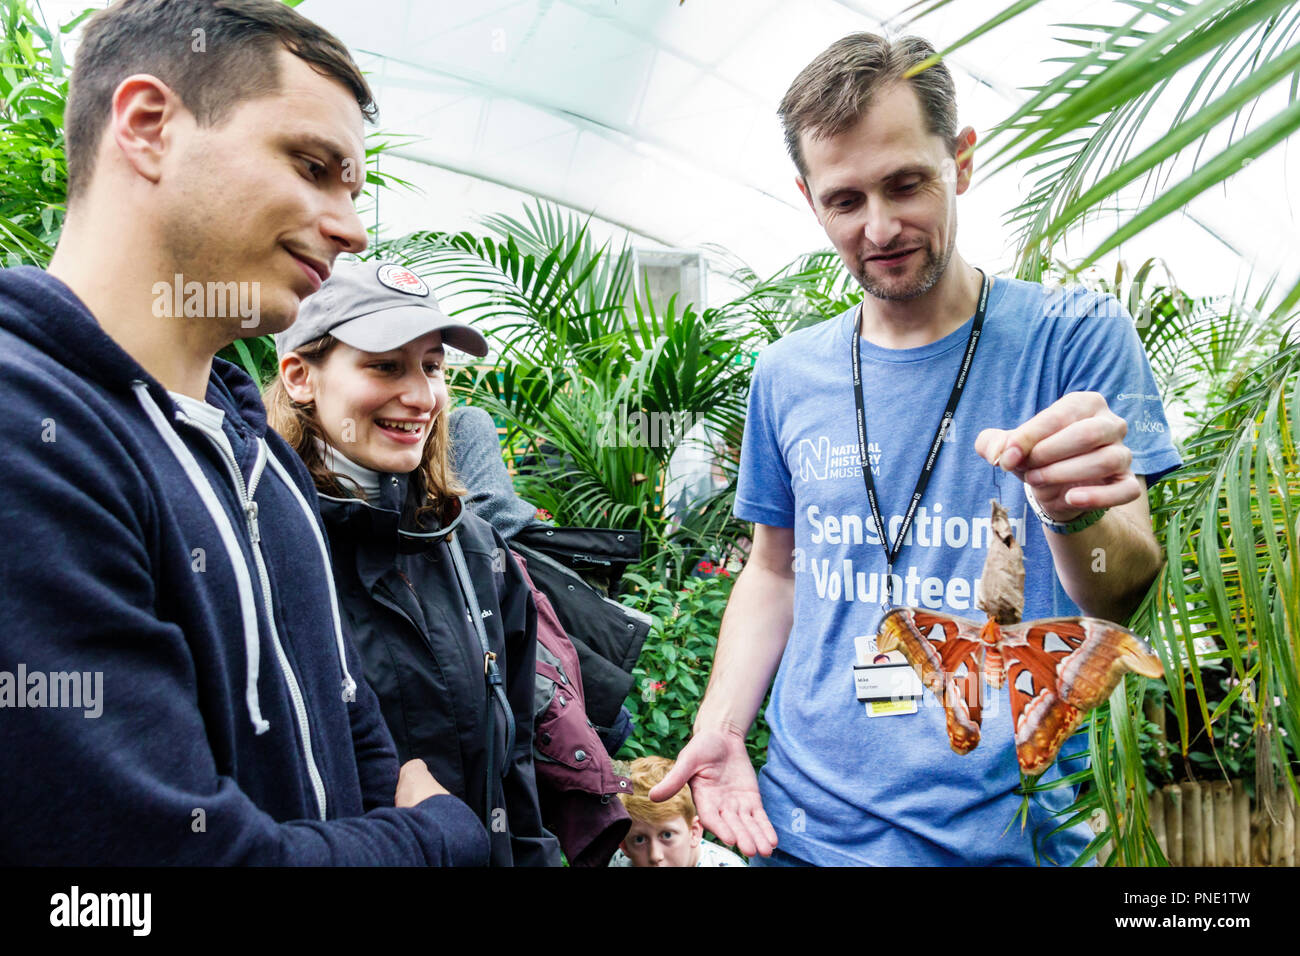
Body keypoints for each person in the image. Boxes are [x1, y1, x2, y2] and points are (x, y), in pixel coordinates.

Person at [655, 33, 1182, 866]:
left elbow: (1121, 592)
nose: (880, 226)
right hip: (801, 834)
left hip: (1011, 836)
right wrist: (719, 727)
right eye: (844, 200)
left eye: (907, 184)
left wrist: (1069, 513)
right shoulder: (787, 374)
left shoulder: (1072, 341)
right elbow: (774, 568)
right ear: (809, 197)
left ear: (961, 161)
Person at [0, 0, 486, 864]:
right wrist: (437, 840)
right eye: (312, 165)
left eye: (353, 187)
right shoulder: (32, 431)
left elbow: (350, 710)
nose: (352, 227)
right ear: (148, 126)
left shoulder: (250, 443)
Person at [267, 258, 561, 866]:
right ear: (300, 376)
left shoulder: (471, 547)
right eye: (385, 365)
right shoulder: (263, 544)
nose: (422, 395)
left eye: (432, 366)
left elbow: (514, 763)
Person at [609, 757, 746, 867]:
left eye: (667, 835)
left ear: (694, 832)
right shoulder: (621, 862)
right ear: (625, 846)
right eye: (639, 839)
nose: (655, 856)